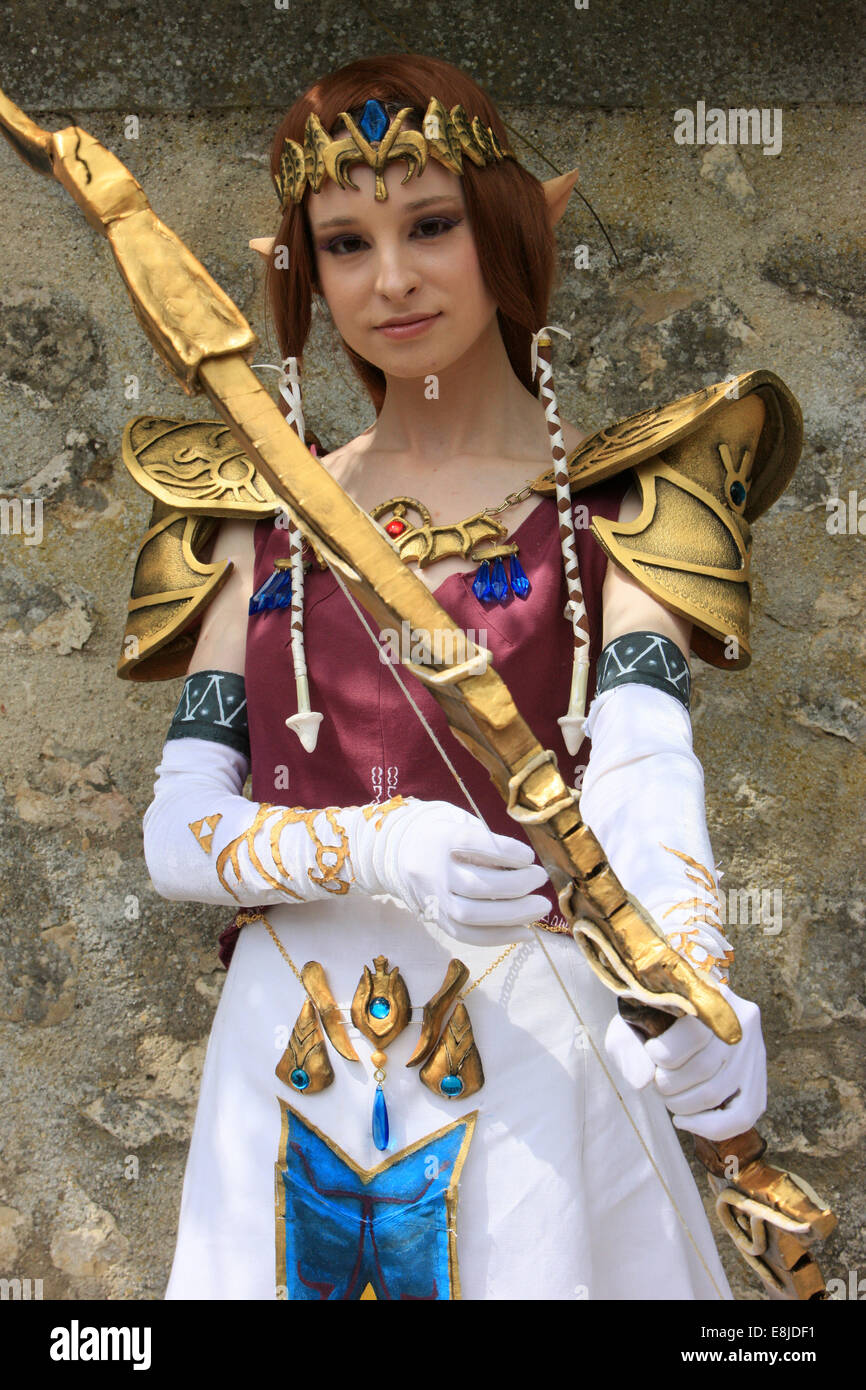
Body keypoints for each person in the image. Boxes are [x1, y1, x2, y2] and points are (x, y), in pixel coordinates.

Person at [125, 53, 794, 1301]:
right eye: (342, 243)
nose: (389, 280)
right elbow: (176, 831)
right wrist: (373, 846)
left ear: (501, 229)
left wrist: (698, 982)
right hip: (291, 1055)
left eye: (428, 225)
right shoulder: (244, 517)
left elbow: (646, 783)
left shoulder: (624, 507)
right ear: (306, 273)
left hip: (542, 1054)